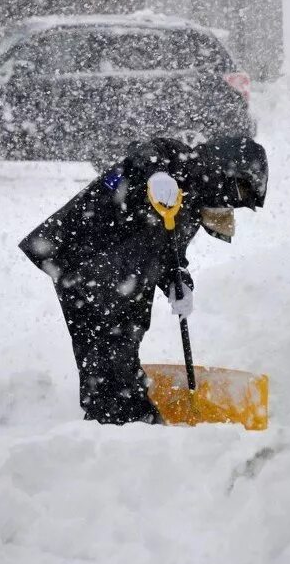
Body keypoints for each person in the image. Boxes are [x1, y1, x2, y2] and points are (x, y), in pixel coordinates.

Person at [19, 136, 268, 425]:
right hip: (87, 254)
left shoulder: (191, 207)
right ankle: (126, 418)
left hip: (113, 267)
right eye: (237, 189)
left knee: (109, 343)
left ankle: (112, 417)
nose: (232, 202)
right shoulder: (175, 158)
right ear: (224, 168)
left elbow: (169, 253)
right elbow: (145, 151)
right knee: (114, 338)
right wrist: (158, 174)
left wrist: (178, 280)